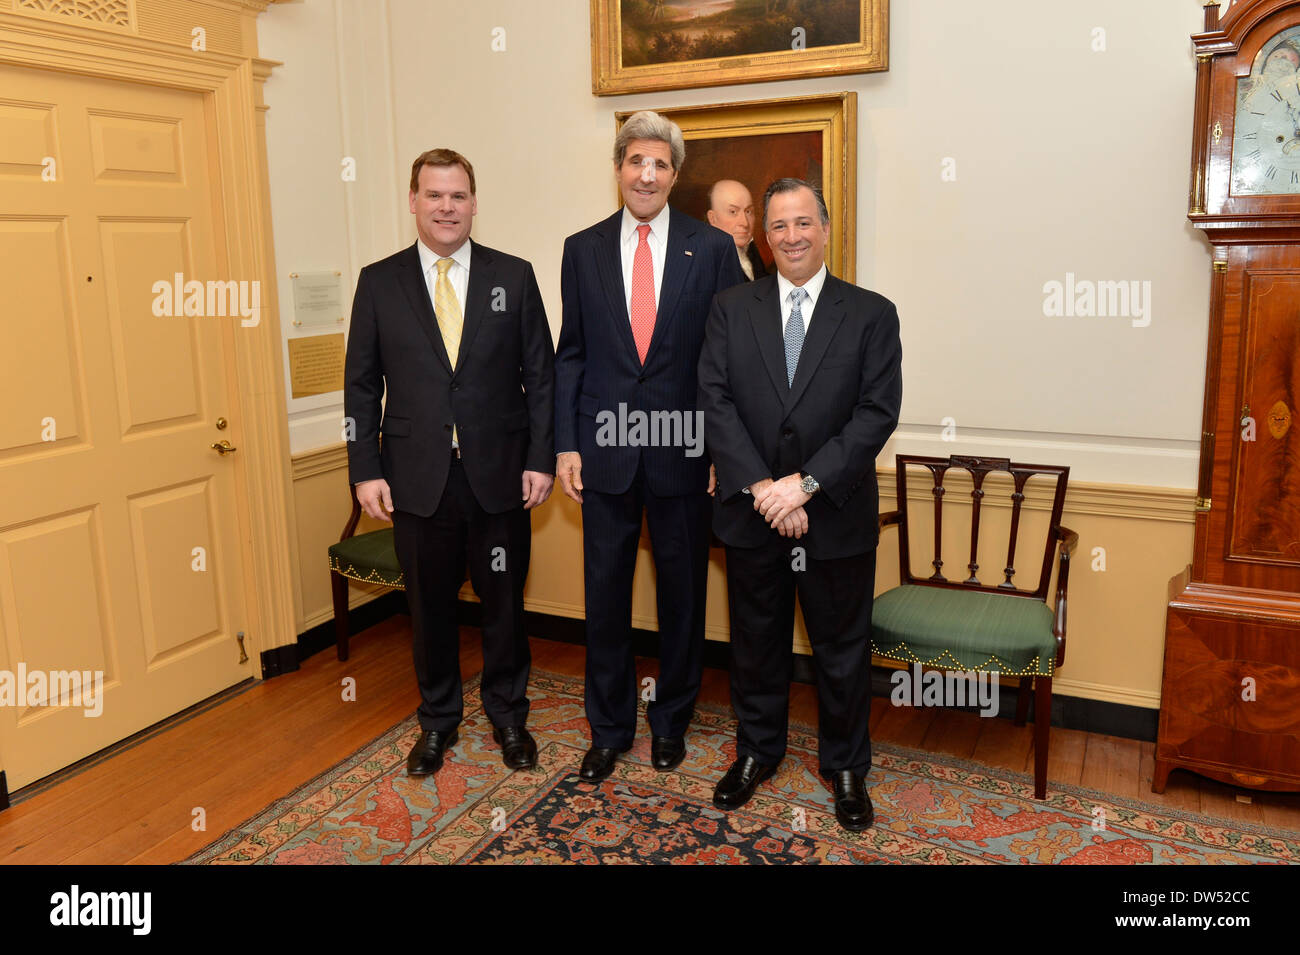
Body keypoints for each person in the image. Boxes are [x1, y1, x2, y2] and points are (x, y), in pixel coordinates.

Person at [697, 177, 902, 830]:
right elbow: (716, 402)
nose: (791, 236)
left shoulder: (871, 313)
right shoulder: (731, 307)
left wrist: (803, 484)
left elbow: (876, 414)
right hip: (754, 515)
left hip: (834, 515)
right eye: (779, 225)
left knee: (841, 652)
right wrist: (765, 489)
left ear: (826, 227)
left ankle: (846, 767)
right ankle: (757, 751)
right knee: (755, 644)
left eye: (803, 223)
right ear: (765, 234)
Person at [344, 148, 555, 777]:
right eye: (434, 195)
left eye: (457, 196)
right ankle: (437, 722)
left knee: (505, 604)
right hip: (415, 480)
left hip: (500, 476)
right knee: (429, 610)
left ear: (473, 203)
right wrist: (364, 467)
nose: (446, 207)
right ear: (413, 201)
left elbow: (541, 378)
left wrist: (541, 457)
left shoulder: (512, 277)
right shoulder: (379, 282)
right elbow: (360, 387)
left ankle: (509, 718)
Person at [554, 111, 746, 781]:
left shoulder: (713, 249)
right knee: (603, 598)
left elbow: (730, 362)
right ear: (617, 168)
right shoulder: (581, 249)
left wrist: (726, 450)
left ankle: (671, 722)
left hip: (685, 454)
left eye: (660, 163)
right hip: (603, 451)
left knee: (682, 600)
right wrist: (566, 444)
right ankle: (608, 728)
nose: (646, 173)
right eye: (636, 160)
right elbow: (570, 355)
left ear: (674, 174)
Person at [707, 179, 766, 281]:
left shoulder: (753, 253)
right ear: (712, 218)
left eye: (748, 211)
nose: (744, 223)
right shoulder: (706, 261)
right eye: (733, 212)